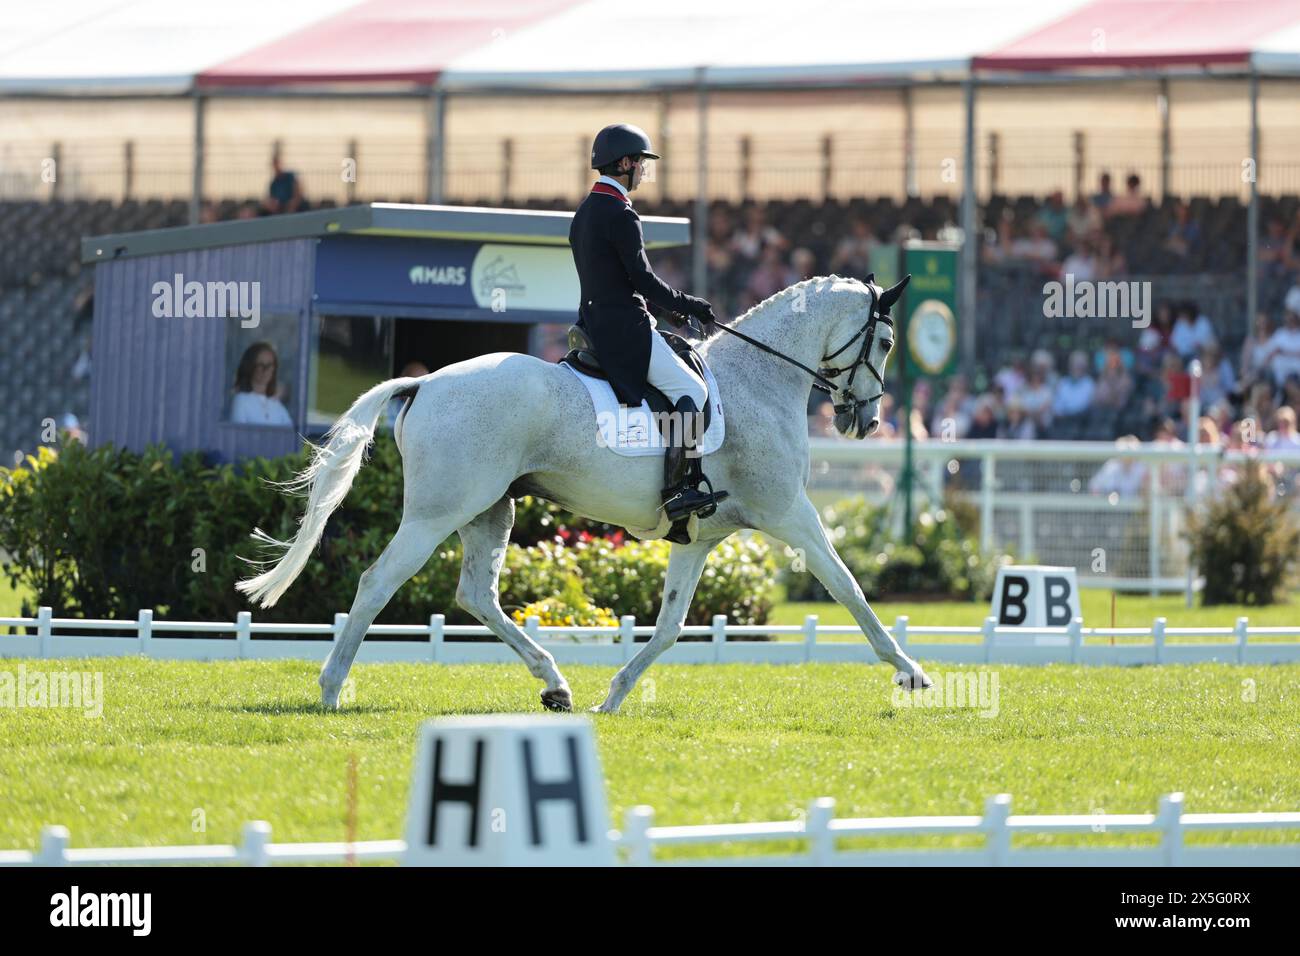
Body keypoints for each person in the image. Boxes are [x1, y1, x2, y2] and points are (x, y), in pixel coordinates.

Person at [569, 123, 726, 527]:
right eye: (640, 163)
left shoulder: (584, 211)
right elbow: (643, 281)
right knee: (690, 389)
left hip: (593, 322)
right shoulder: (621, 213)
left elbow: (613, 280)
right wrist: (690, 303)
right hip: (625, 329)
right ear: (624, 163)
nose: (643, 171)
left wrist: (673, 313)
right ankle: (679, 491)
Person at [230, 342, 293, 426]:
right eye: (260, 364)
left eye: (270, 365)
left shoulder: (276, 405)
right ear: (250, 367)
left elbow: (291, 434)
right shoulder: (241, 400)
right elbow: (236, 436)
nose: (265, 370)